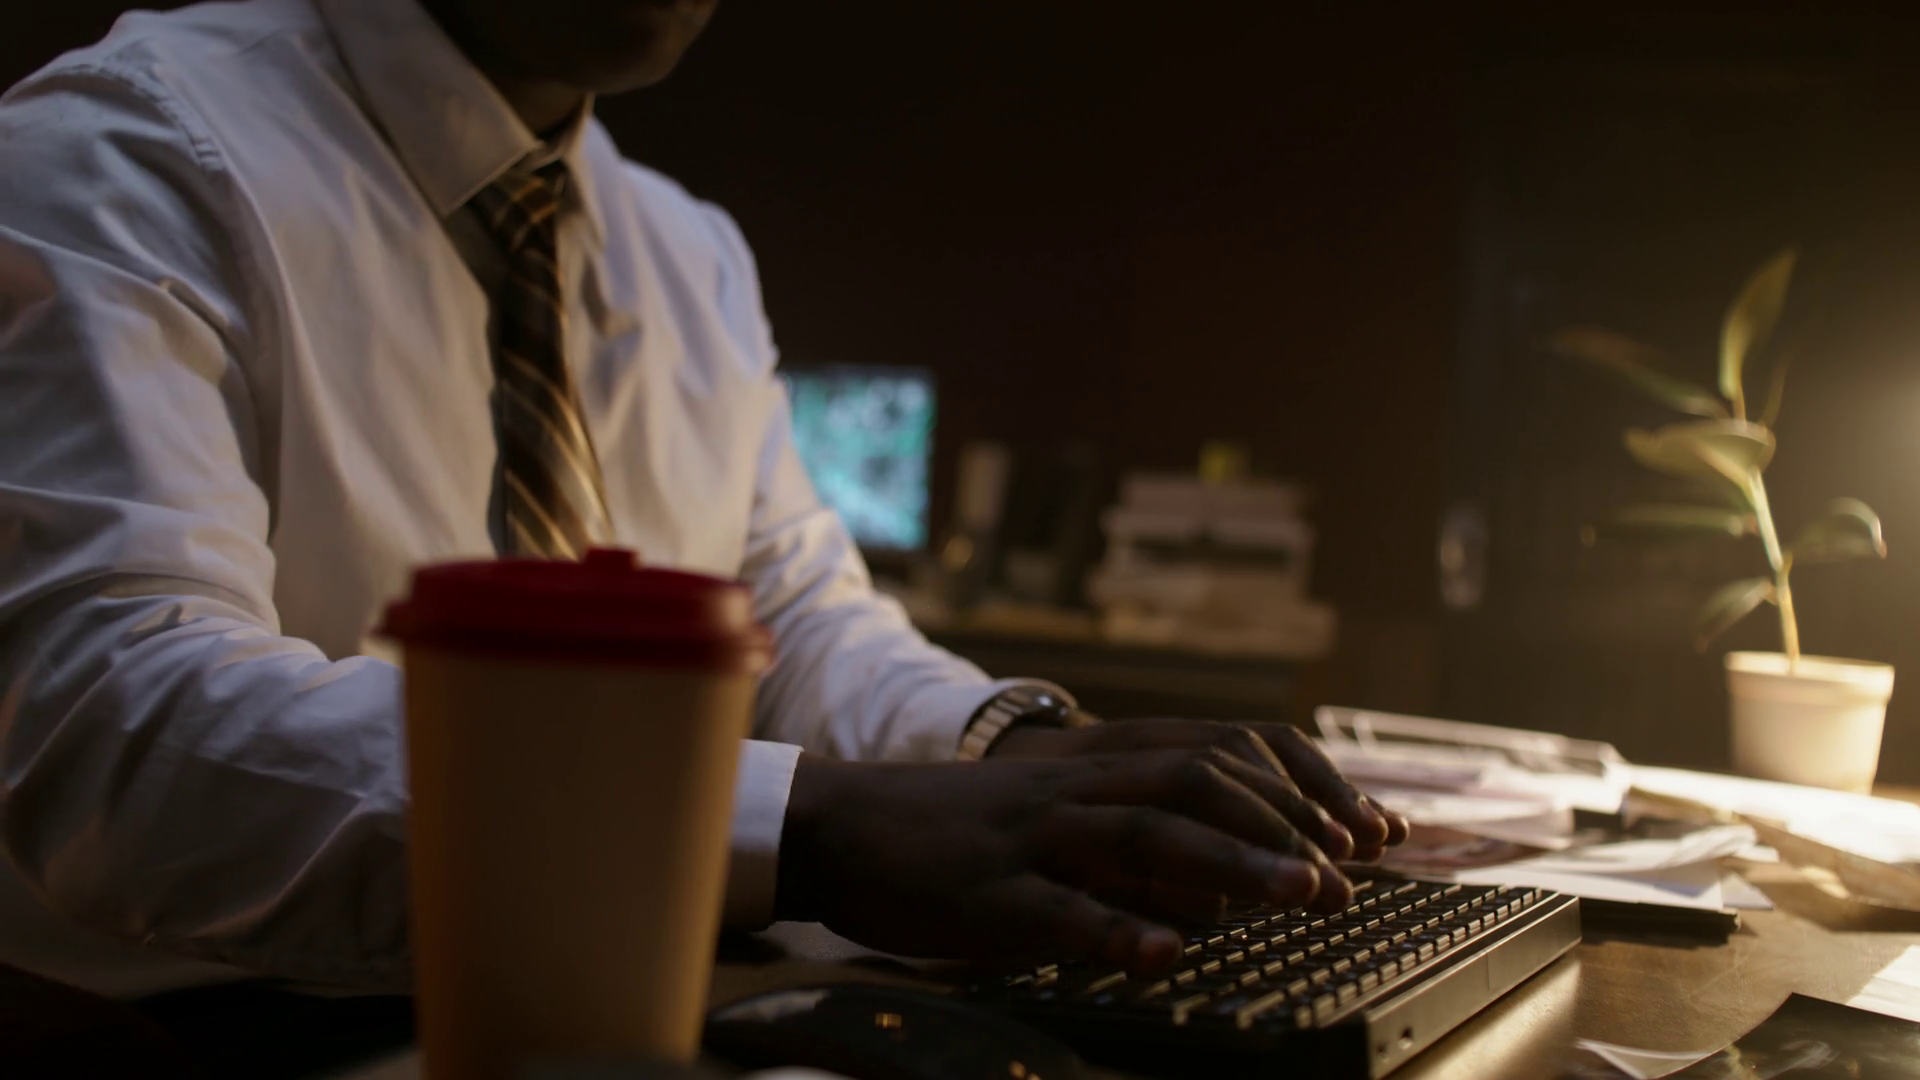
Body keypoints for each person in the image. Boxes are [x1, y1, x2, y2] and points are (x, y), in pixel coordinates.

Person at [0, 0, 1407, 998]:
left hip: (634, 1002)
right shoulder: (127, 152)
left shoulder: (687, 251)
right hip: (204, 1027)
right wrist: (800, 825)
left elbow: (796, 615)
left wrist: (1016, 750)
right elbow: (114, 717)